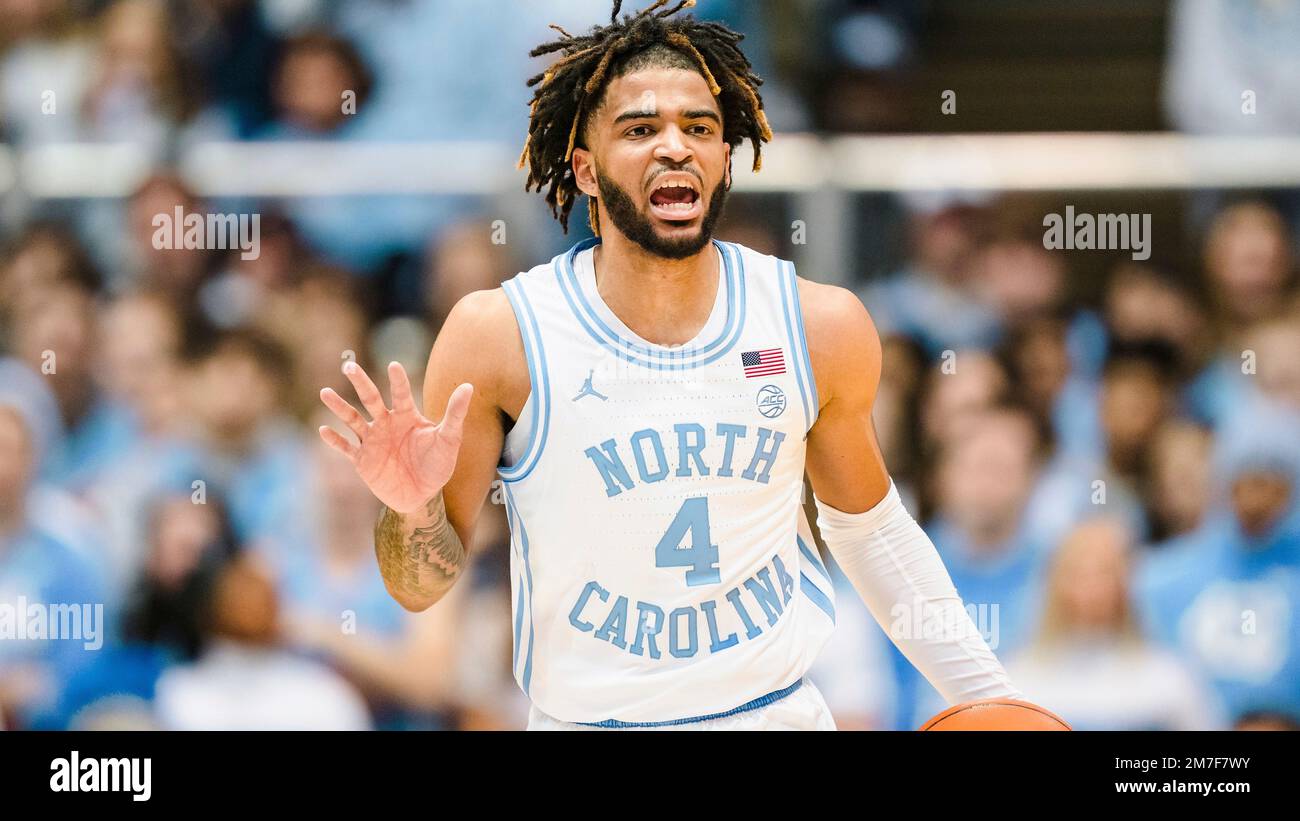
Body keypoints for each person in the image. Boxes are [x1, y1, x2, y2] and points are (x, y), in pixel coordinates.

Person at [318, 0, 1022, 730]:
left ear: (726, 157)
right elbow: (419, 586)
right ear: (585, 171)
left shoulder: (818, 324)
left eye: (700, 128)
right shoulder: (499, 336)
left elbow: (871, 533)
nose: (675, 147)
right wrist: (412, 507)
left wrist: (993, 697)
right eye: (640, 128)